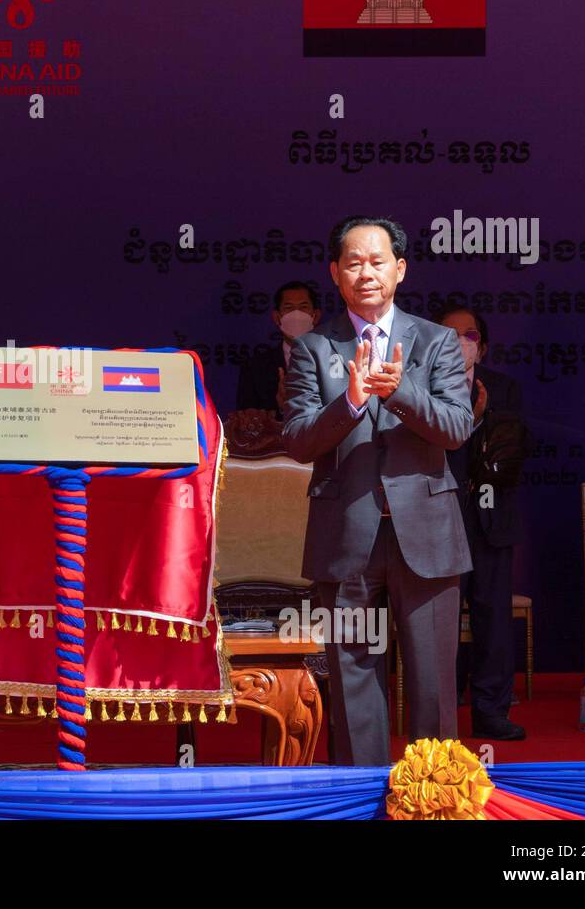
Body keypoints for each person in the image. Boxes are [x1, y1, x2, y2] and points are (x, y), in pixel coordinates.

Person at [282, 216, 473, 766]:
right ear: (336, 274)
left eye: (377, 260)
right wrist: (352, 403)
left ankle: (433, 797)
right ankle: (360, 796)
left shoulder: (436, 342)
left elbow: (457, 429)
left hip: (427, 535)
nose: (366, 272)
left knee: (433, 682)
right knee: (351, 679)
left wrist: (402, 392)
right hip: (348, 538)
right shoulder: (314, 349)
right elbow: (296, 440)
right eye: (354, 262)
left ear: (400, 269)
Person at [438, 306, 527, 741]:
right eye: (449, 335)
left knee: (492, 617)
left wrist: (475, 431)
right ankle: (442, 711)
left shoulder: (505, 390)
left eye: (468, 334)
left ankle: (491, 711)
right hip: (438, 521)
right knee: (441, 619)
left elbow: (505, 459)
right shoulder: (422, 389)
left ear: (483, 346)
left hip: (491, 519)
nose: (460, 342)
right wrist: (467, 424)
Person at [235, 281, 321, 417]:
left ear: (315, 316)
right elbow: (247, 421)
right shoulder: (255, 367)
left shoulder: (332, 360)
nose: (296, 315)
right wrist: (283, 408)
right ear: (277, 317)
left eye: (303, 307)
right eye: (289, 308)